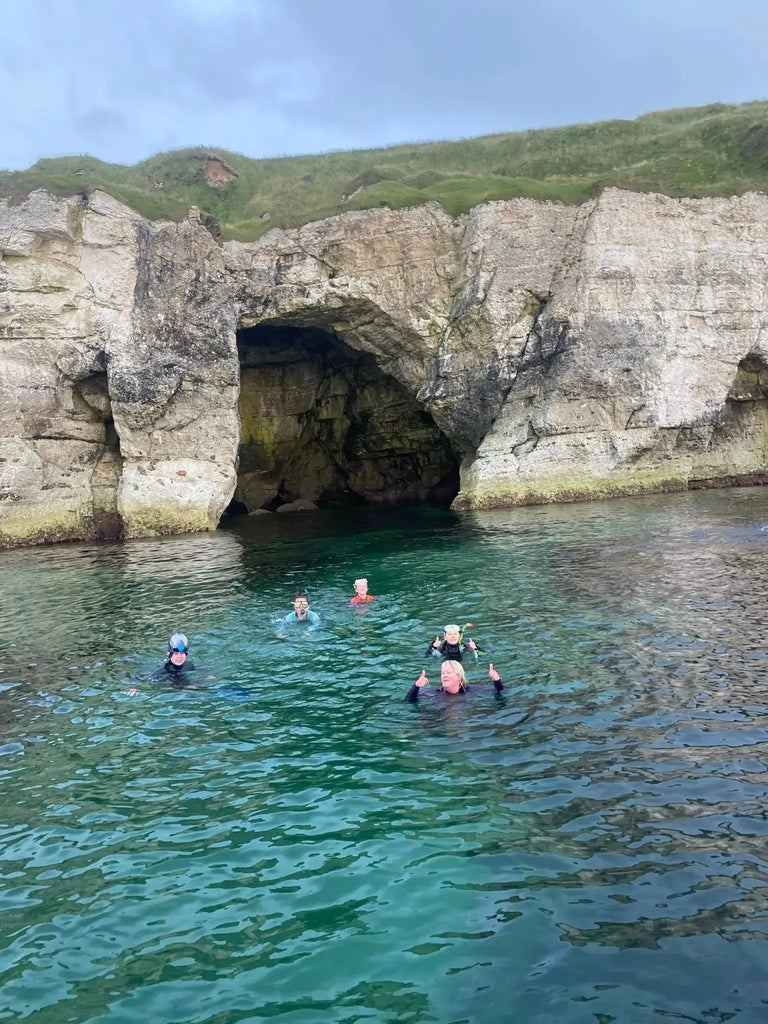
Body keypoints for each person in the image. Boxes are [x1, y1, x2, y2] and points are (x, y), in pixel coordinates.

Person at [127, 632, 209, 695]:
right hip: (171, 688)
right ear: (168, 653)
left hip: (185, 685)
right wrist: (134, 687)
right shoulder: (161, 671)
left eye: (182, 653)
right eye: (176, 654)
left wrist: (207, 675)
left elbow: (200, 669)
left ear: (186, 654)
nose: (179, 657)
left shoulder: (189, 665)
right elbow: (141, 679)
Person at [405, 661, 504, 701]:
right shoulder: (434, 692)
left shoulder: (470, 690)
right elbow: (409, 701)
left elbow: (499, 692)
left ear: (459, 676)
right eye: (443, 673)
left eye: (448, 672)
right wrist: (416, 686)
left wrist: (497, 680)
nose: (444, 675)